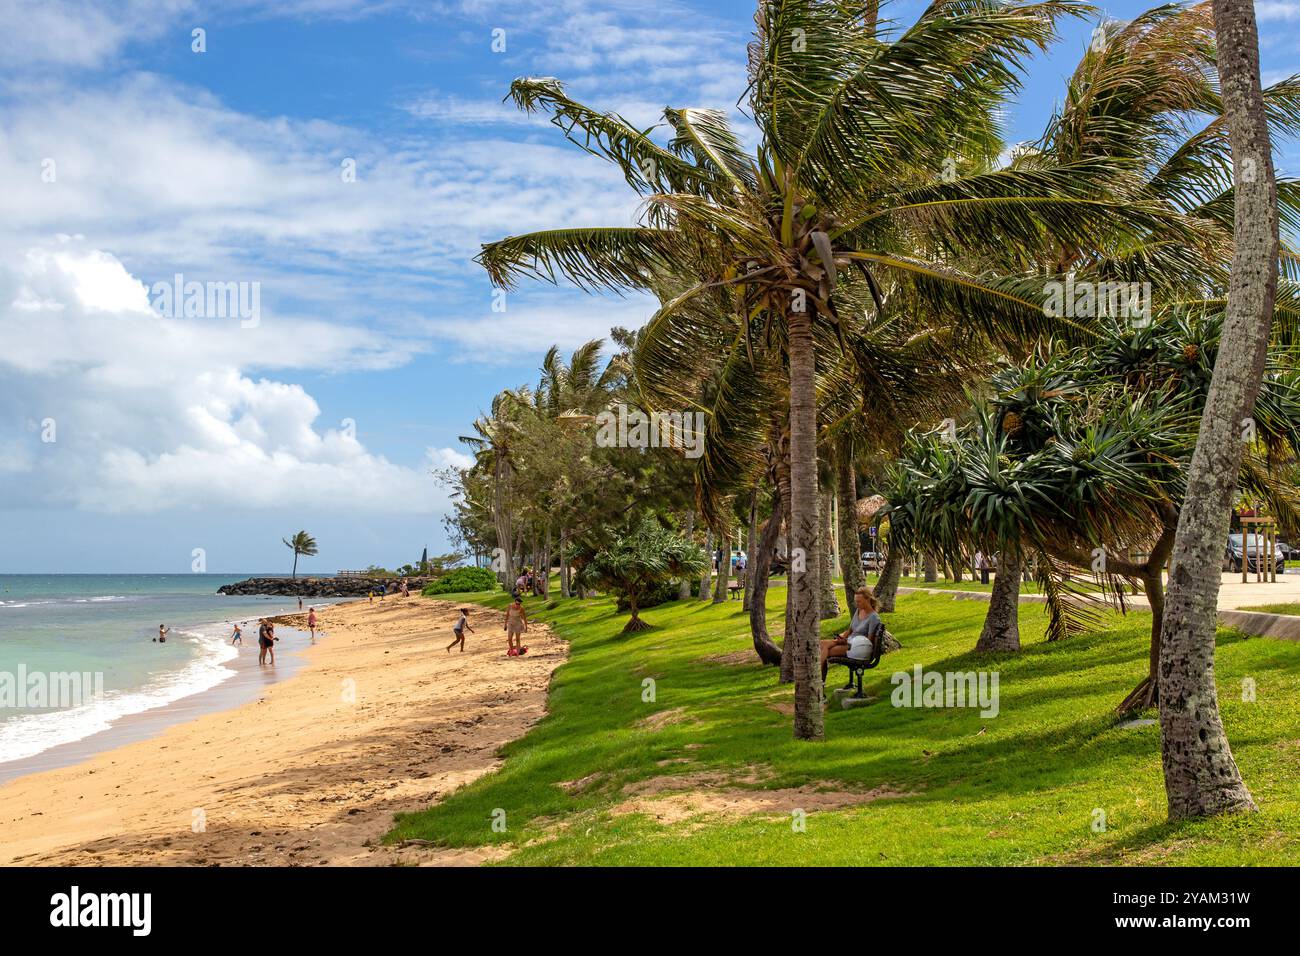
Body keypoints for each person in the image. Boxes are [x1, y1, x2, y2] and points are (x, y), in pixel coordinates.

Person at [820, 587, 883, 683]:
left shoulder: (874, 618)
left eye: (859, 602)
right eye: (856, 601)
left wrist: (848, 642)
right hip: (847, 642)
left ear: (868, 600)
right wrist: (842, 636)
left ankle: (818, 682)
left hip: (857, 648)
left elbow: (869, 641)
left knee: (825, 651)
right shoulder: (858, 611)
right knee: (820, 644)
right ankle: (819, 682)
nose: (857, 604)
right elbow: (850, 630)